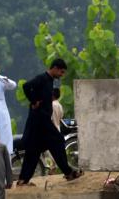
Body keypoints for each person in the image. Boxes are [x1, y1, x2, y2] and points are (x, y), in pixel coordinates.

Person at [17, 59, 79, 187]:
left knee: (33, 151)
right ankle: (68, 172)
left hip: (41, 121)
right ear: (55, 68)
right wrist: (34, 101)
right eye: (61, 72)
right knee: (58, 141)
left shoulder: (49, 81)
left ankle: (23, 180)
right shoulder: (42, 78)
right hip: (40, 120)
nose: (62, 75)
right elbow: (26, 86)